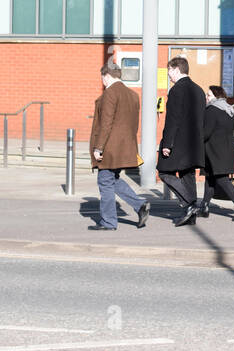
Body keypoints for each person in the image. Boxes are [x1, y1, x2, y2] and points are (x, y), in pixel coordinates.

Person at [87, 62, 150, 231]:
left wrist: (98, 147)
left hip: (110, 148)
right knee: (112, 179)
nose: (102, 82)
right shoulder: (132, 95)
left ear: (106, 76)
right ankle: (140, 204)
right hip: (125, 147)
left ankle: (108, 222)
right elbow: (134, 124)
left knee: (104, 181)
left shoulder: (110, 93)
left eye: (102, 78)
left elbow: (106, 124)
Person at [158, 56, 205, 226]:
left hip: (178, 143)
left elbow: (173, 119)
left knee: (164, 172)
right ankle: (190, 215)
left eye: (169, 70)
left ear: (177, 69)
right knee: (188, 176)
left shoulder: (177, 90)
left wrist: (167, 144)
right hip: (194, 144)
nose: (168, 74)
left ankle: (190, 204)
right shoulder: (199, 90)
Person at [198, 85, 234, 222]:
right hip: (226, 148)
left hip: (215, 150)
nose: (206, 97)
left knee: (222, 179)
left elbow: (206, 132)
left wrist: (195, 140)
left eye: (208, 95)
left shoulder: (212, 110)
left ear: (216, 96)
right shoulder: (229, 109)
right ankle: (204, 207)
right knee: (210, 178)